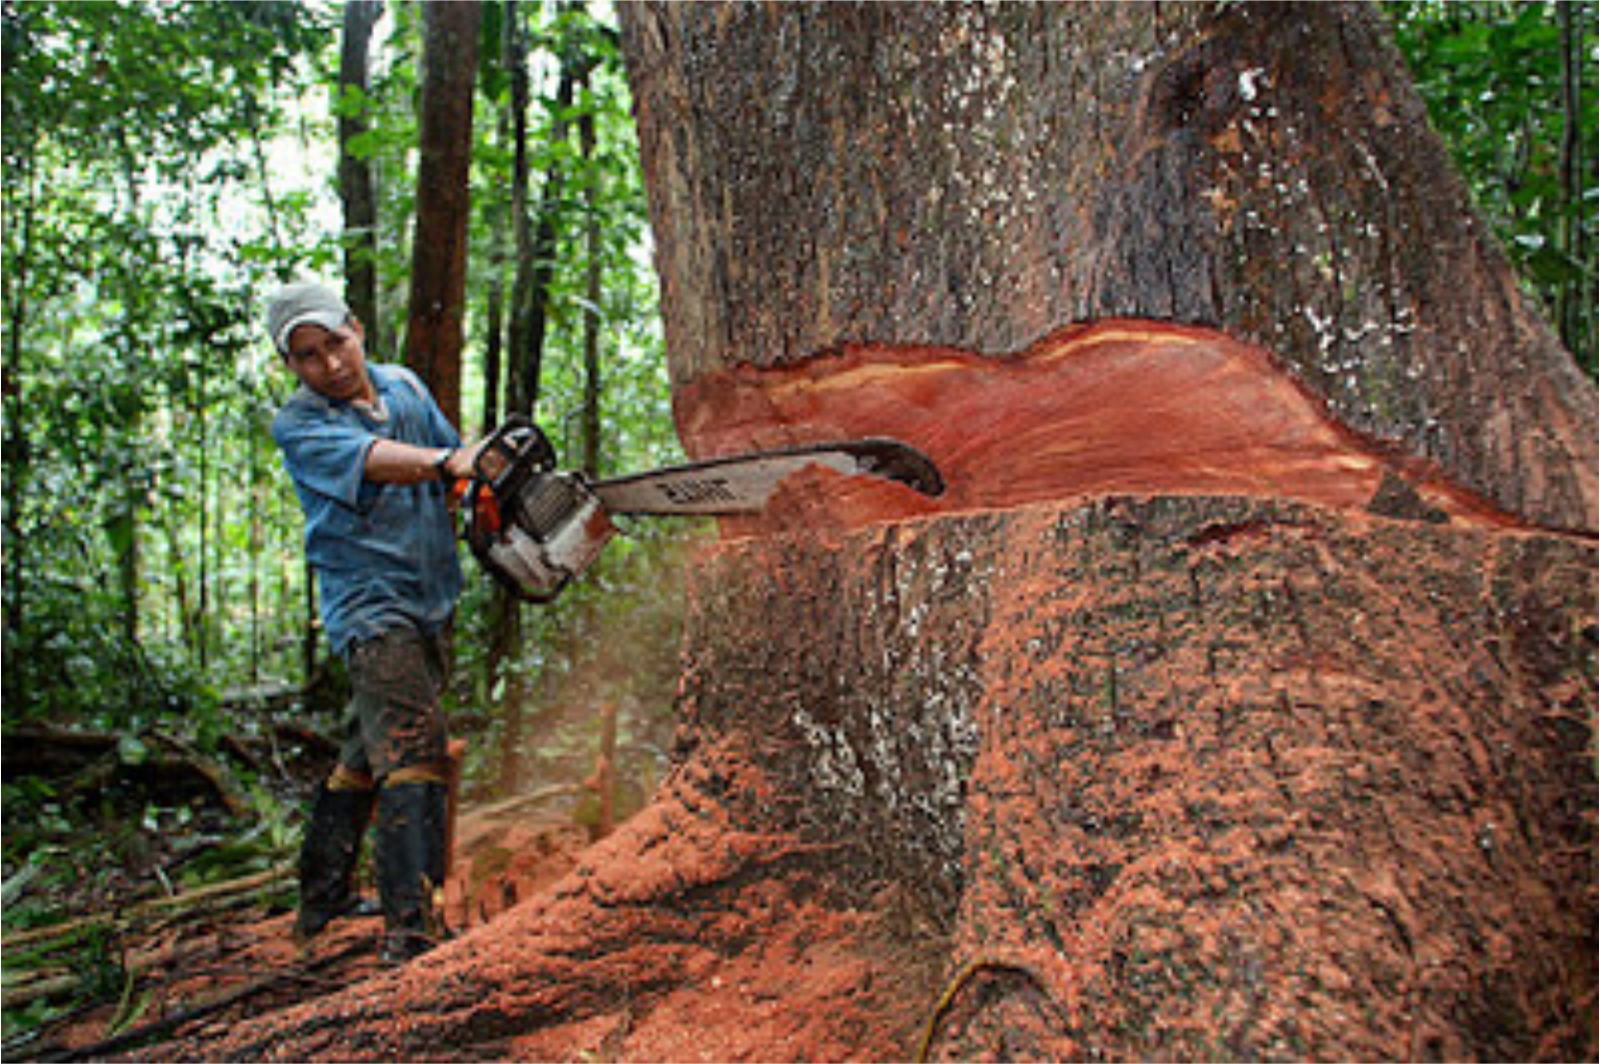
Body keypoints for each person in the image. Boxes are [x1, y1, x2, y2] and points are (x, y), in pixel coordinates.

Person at [265, 281, 480, 964]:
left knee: (368, 748)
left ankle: (322, 895)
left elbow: (454, 463)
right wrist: (446, 463)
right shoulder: (300, 425)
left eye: (335, 343)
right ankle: (411, 931)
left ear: (355, 329)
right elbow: (379, 462)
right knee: (414, 746)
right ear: (290, 364)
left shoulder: (405, 388)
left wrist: (484, 480)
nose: (329, 364)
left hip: (428, 594)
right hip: (371, 605)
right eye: (308, 355)